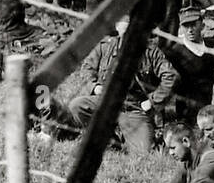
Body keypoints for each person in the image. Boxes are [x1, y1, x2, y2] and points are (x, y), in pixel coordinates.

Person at [66, 16, 178, 153]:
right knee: (77, 106)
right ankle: (108, 138)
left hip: (133, 108)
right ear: (118, 30)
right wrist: (94, 87)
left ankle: (125, 134)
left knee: (143, 152)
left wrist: (153, 101)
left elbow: (171, 76)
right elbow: (86, 68)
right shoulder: (104, 47)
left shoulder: (151, 52)